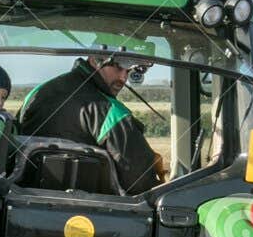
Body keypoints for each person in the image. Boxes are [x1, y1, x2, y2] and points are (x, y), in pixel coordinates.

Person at [18, 50, 161, 195]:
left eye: (130, 71)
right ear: (94, 59)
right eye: (118, 67)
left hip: (24, 201)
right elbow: (140, 184)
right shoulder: (111, 112)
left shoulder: (36, 93)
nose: (123, 78)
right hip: (93, 207)